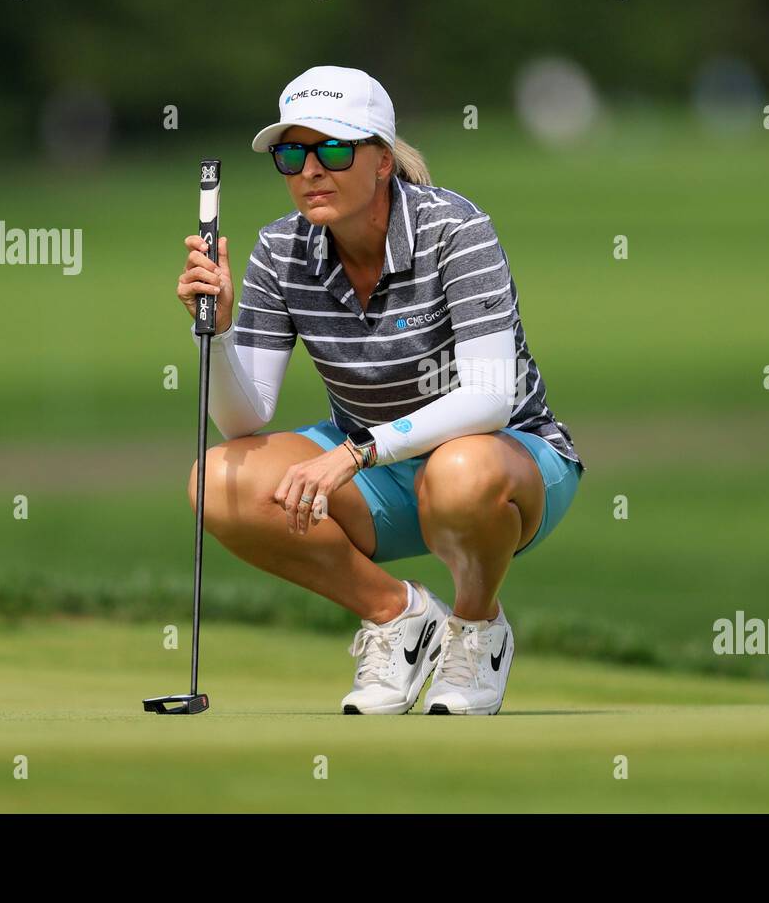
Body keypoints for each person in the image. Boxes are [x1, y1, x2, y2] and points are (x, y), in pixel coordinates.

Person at [175, 65, 584, 715]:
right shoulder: (280, 250)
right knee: (218, 481)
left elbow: (489, 399)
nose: (311, 169)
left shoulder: (457, 230)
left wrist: (355, 452)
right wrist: (220, 332)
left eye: (334, 149)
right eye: (292, 152)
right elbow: (241, 419)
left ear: (383, 160)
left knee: (460, 468)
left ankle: (476, 631)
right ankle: (398, 616)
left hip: (506, 459)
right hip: (379, 473)